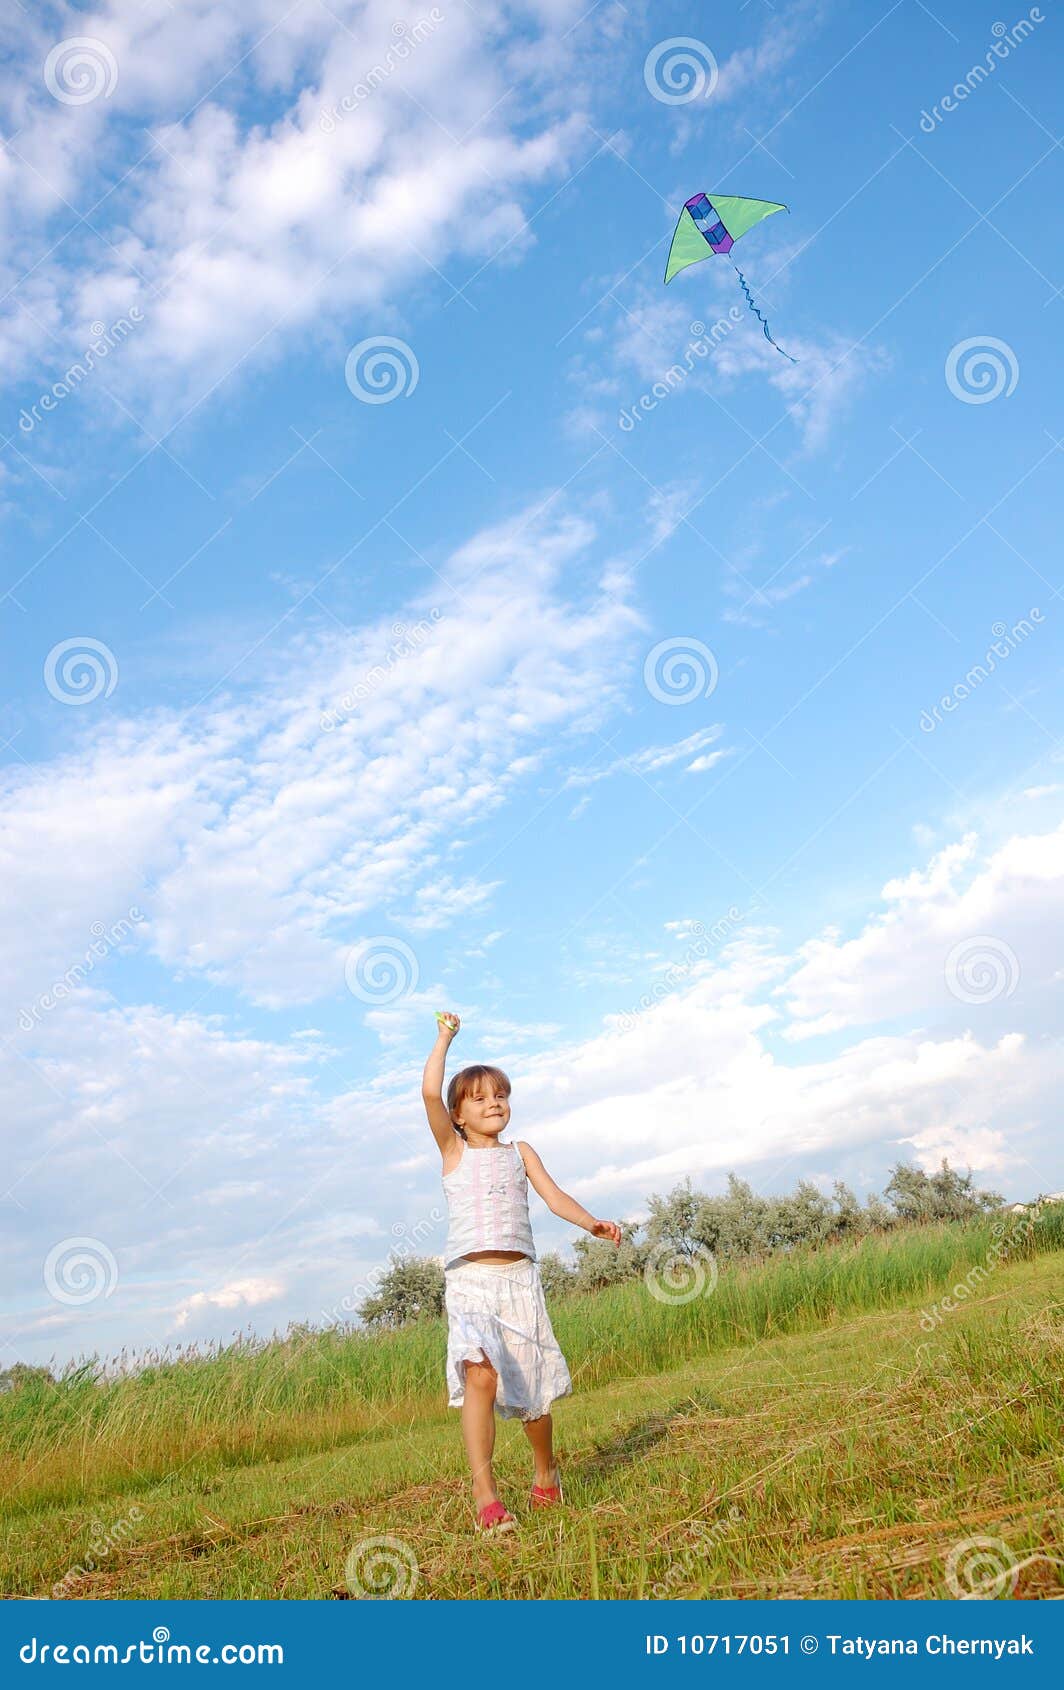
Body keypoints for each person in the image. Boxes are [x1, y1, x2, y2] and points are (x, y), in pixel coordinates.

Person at [422, 1011, 622, 1534]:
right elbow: (427, 1093)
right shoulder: (453, 1151)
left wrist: (591, 1223)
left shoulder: (521, 1153)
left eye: (501, 1095)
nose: (495, 1104)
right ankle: (485, 1493)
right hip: (470, 1281)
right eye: (480, 1097)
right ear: (458, 1115)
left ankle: (546, 1474)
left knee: (534, 1396)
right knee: (479, 1373)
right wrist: (445, 1038)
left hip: (519, 1285)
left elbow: (554, 1197)